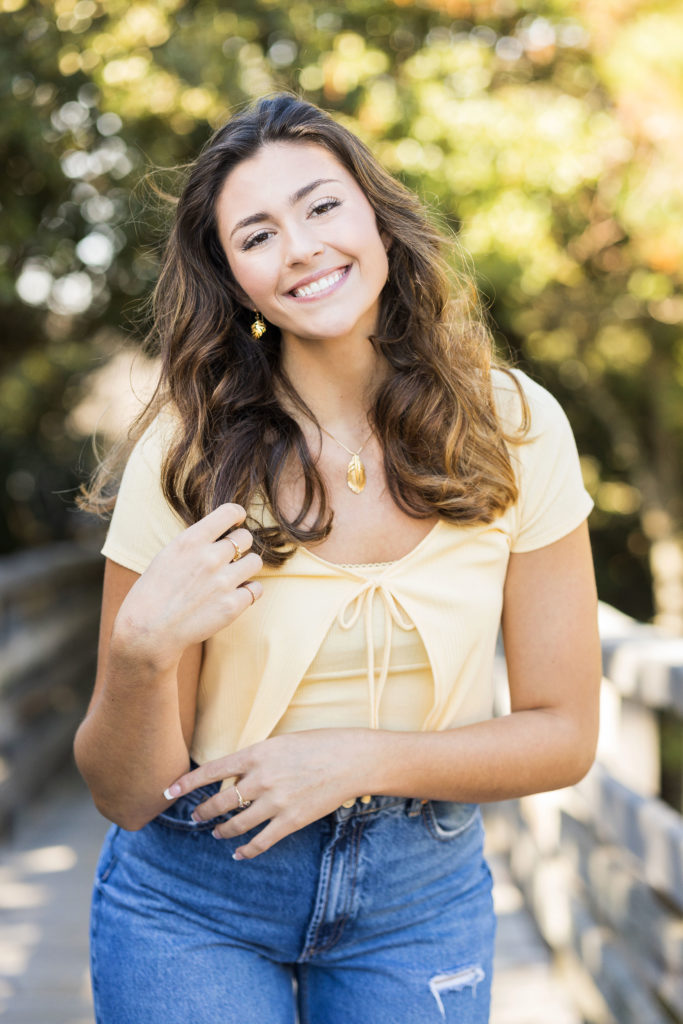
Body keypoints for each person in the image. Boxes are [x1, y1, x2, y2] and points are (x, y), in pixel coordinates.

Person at [74, 92, 601, 1024]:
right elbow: (125, 793)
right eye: (258, 234)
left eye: (322, 206)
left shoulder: (513, 427)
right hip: (199, 896)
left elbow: (563, 732)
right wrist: (136, 654)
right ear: (233, 280)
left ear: (377, 220)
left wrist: (352, 759)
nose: (304, 247)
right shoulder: (187, 456)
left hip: (418, 899)